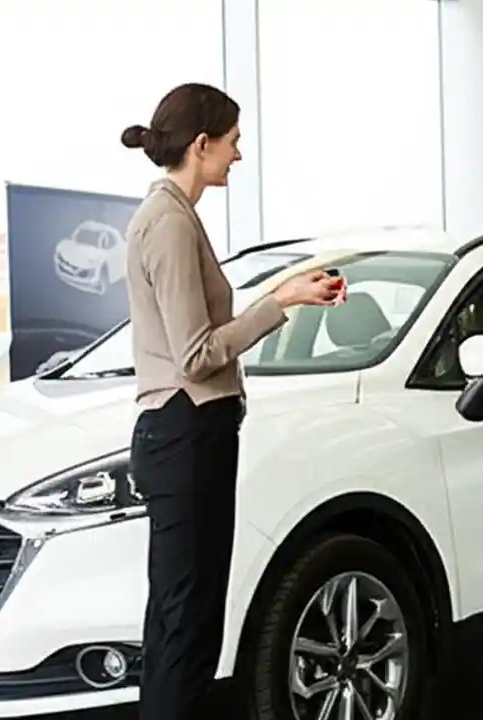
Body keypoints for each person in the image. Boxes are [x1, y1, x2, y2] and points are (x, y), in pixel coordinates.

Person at [120, 82, 344, 720]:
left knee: (180, 620)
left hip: (190, 435)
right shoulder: (166, 222)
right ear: (201, 144)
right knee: (186, 626)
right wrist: (284, 303)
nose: (238, 156)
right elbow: (195, 355)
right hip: (187, 435)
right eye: (233, 142)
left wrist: (286, 288)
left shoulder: (170, 214)